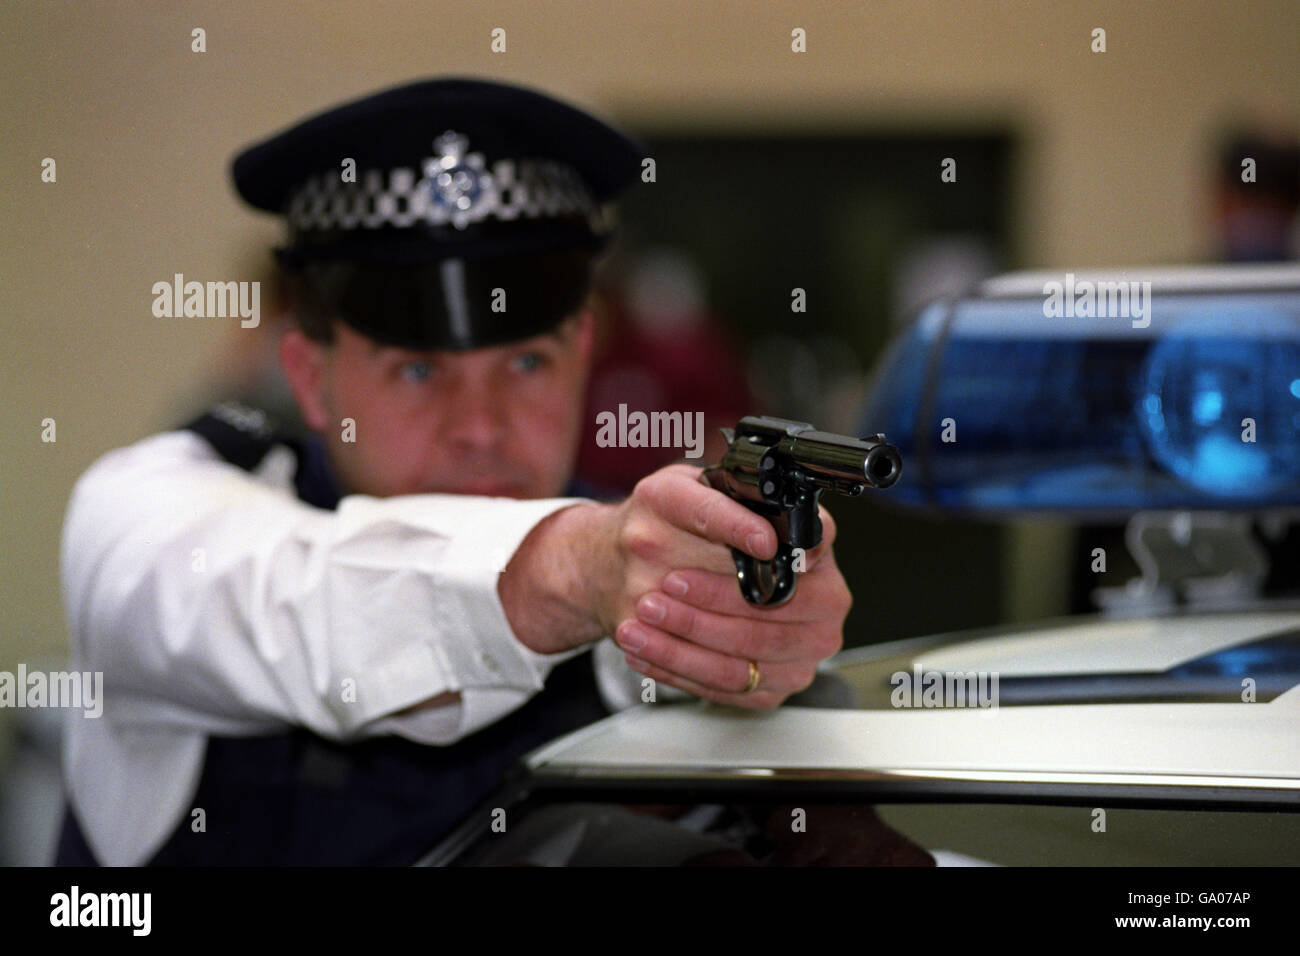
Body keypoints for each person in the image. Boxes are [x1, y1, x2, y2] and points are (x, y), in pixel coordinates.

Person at [53, 77, 854, 866]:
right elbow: (311, 607)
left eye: (528, 362)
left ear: (582, 353)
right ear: (308, 375)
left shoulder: (627, 554)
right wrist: (577, 573)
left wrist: (750, 627)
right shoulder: (149, 515)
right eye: (418, 372)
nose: (480, 427)